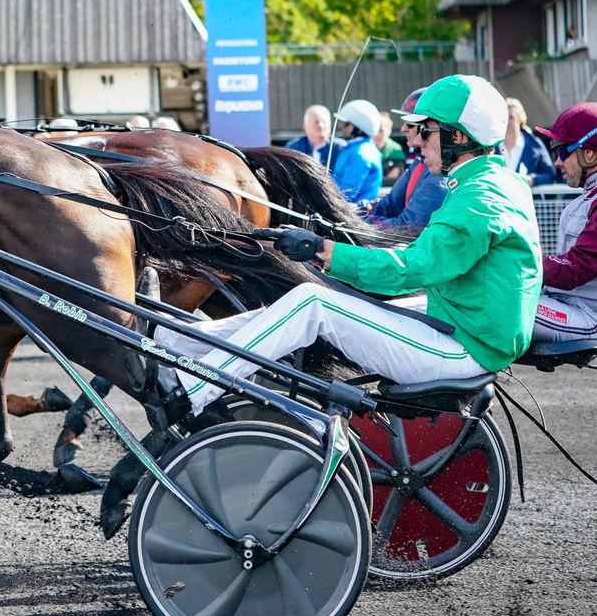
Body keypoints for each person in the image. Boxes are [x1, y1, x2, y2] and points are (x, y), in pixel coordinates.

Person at [154, 75, 541, 420]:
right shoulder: (490, 183)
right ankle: (175, 342)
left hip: (463, 349)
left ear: (458, 137)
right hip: (460, 322)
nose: (411, 138)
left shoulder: (480, 198)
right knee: (319, 296)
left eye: (424, 130)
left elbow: (411, 269)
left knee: (312, 302)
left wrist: (324, 250)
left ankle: (192, 392)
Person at [530, 102, 597, 342]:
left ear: (588, 154)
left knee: (498, 301)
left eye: (561, 151)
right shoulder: (588, 197)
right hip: (570, 306)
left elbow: (577, 266)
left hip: (589, 317)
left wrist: (517, 265)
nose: (557, 162)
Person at [365, 86, 449, 231]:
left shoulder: (439, 174)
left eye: (410, 124)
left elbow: (408, 228)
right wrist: (358, 212)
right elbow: (390, 205)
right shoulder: (420, 161)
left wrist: (359, 222)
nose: (403, 128)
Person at [328, 99, 384, 203]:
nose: (341, 127)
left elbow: (348, 192)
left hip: (357, 213)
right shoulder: (356, 148)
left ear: (357, 127)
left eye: (346, 124)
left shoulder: (360, 153)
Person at [501, 97, 555, 186]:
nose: (507, 121)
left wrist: (533, 179)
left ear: (520, 119)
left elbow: (550, 175)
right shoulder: (491, 146)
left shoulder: (536, 145)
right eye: (503, 117)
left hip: (527, 199)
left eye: (511, 117)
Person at [374, 112, 408, 185]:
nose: (377, 133)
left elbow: (395, 176)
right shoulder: (365, 148)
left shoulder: (395, 150)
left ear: (388, 131)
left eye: (381, 130)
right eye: (375, 129)